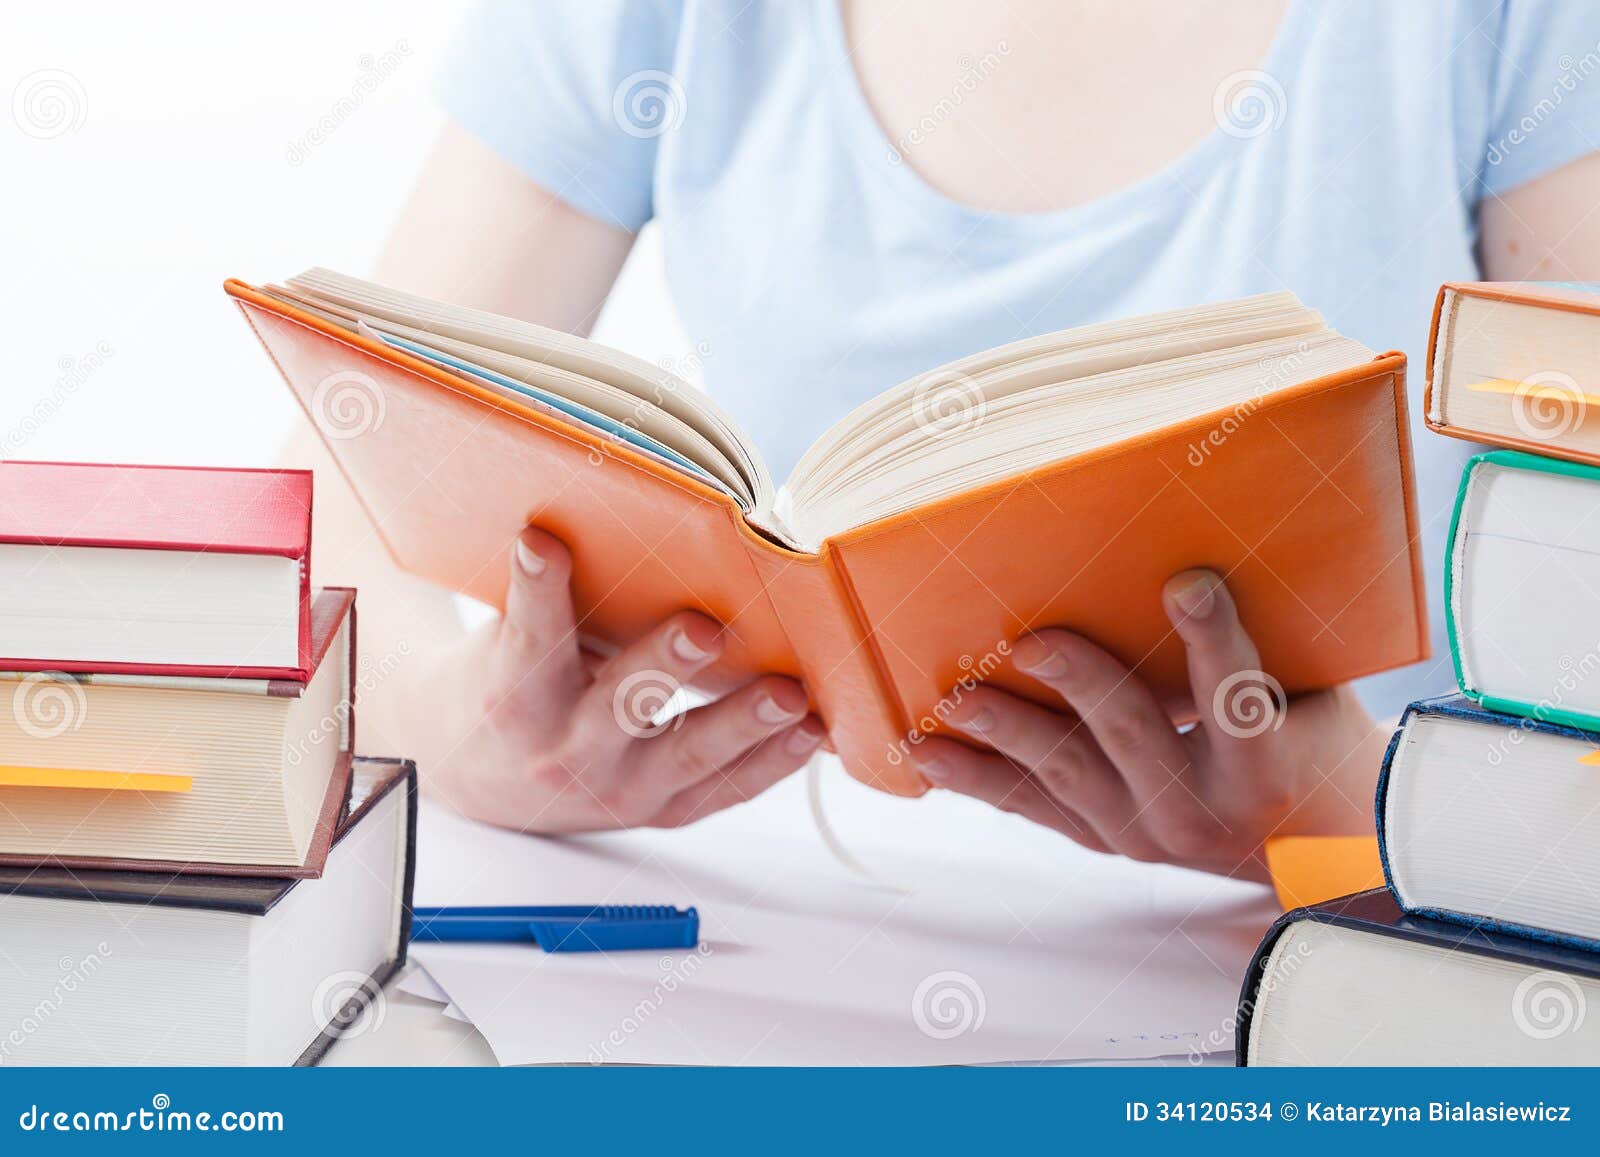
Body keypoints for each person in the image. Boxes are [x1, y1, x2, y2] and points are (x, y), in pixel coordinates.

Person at [306, 0, 1600, 880]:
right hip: (783, 938)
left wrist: (1344, 820)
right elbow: (355, 477)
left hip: (1346, 946)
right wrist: (467, 736)